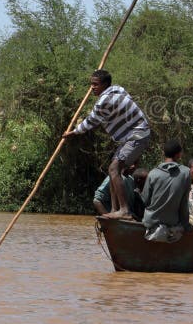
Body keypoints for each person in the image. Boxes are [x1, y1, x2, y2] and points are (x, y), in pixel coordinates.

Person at [63, 69, 150, 220]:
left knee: (114, 168)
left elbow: (91, 120)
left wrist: (73, 132)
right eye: (91, 84)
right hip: (132, 136)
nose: (92, 88)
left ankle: (124, 210)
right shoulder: (118, 90)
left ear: (105, 85)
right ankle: (115, 209)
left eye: (95, 84)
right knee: (113, 170)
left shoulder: (105, 100)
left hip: (137, 134)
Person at [141, 140, 192, 242]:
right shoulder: (186, 173)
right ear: (179, 154)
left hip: (150, 224)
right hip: (172, 225)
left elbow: (145, 200)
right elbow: (183, 203)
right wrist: (187, 225)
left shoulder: (153, 173)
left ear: (163, 153)